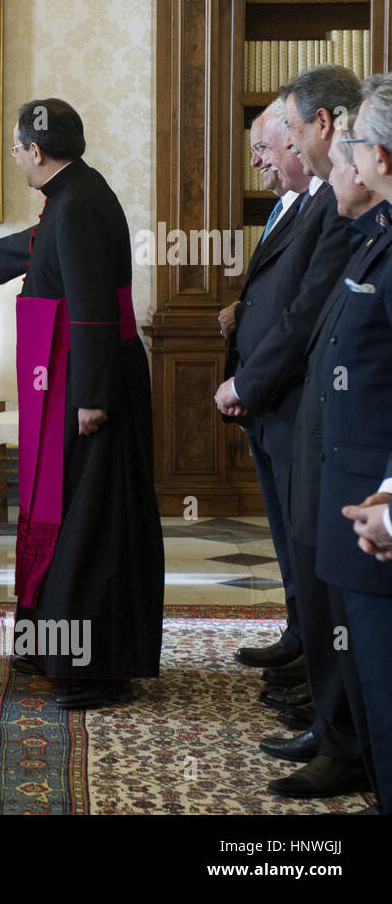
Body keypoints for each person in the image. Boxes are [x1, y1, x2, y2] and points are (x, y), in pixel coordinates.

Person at [0, 99, 164, 709]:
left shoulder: (76, 203)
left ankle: (97, 669)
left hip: (88, 386)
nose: (17, 159)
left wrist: (93, 399)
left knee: (92, 520)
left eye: (18, 150)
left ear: (35, 151)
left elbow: (95, 302)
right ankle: (52, 644)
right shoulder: (77, 192)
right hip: (72, 380)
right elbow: (46, 245)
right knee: (65, 509)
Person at [252, 68, 371, 800]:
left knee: (339, 602)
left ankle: (345, 740)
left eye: (289, 136)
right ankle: (334, 731)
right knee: (320, 592)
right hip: (321, 426)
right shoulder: (353, 218)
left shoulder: (352, 218)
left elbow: (307, 317)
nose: (280, 151)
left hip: (347, 439)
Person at [320, 73, 392, 813]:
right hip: (365, 489)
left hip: (379, 494)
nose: (347, 156)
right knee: (370, 670)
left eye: (357, 144)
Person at [222, 104, 307, 670]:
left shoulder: (327, 209)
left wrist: (247, 381)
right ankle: (299, 636)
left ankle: (313, 654)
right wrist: (242, 307)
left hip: (292, 397)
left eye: (265, 149)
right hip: (267, 400)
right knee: (283, 530)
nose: (255, 162)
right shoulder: (287, 206)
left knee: (304, 536)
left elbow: (302, 313)